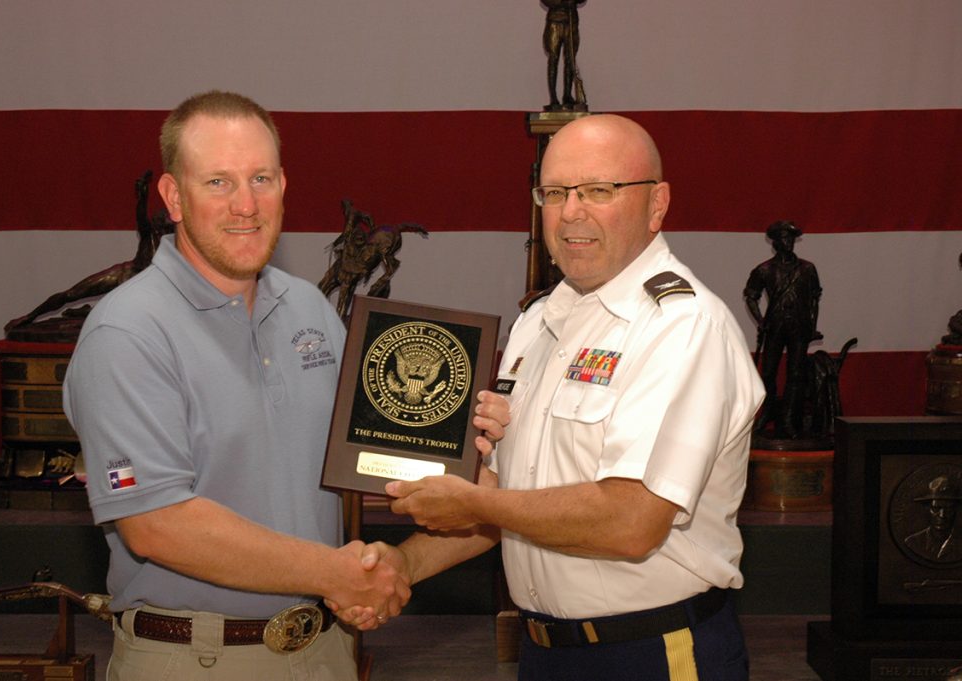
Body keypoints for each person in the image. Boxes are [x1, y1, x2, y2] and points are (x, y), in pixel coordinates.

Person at [337, 114, 766, 681]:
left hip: (651, 652)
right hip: (543, 652)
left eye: (599, 191)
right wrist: (405, 562)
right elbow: (512, 495)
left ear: (657, 205)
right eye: (556, 192)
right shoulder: (539, 322)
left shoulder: (682, 327)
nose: (572, 212)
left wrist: (472, 503)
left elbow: (631, 520)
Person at [62, 91, 415, 680]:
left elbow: (362, 455)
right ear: (174, 197)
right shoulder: (127, 331)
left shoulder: (308, 309)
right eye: (218, 182)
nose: (246, 205)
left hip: (326, 649)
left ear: (284, 184)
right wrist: (336, 573)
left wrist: (460, 439)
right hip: (194, 659)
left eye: (261, 177)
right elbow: (157, 523)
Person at [743, 220, 822, 439]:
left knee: (796, 374)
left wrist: (812, 327)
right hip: (775, 326)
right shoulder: (764, 269)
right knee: (768, 371)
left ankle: (788, 419)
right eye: (784, 238)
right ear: (775, 242)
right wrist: (761, 321)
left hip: (799, 326)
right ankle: (769, 411)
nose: (788, 242)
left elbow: (814, 300)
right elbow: (751, 296)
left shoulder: (807, 269)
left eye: (791, 238)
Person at [905, 475, 962, 563]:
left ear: (956, 510)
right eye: (936, 508)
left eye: (949, 509)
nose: (942, 515)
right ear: (927, 509)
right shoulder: (913, 542)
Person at [542, 0, 587, 111]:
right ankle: (553, 97)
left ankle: (567, 95)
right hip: (555, 20)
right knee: (553, 59)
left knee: (570, 59)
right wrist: (563, 2)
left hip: (571, 21)